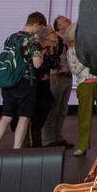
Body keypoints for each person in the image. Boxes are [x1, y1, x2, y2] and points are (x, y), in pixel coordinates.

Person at [0, 13, 46, 150]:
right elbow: (37, 64)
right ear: (36, 25)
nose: (40, 31)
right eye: (41, 28)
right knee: (24, 117)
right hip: (25, 82)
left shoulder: (11, 37)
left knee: (6, 116)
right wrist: (42, 54)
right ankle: (17, 148)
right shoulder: (33, 41)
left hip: (9, 82)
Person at [65, 20, 97, 160]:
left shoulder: (93, 46)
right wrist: (86, 58)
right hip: (84, 84)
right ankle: (82, 145)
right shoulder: (71, 51)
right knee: (84, 116)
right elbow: (75, 69)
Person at [40, 15, 74, 147]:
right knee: (53, 109)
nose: (68, 20)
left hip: (67, 76)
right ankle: (47, 139)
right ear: (59, 25)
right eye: (64, 20)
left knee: (62, 109)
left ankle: (58, 137)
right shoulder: (56, 40)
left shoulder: (67, 40)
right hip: (57, 77)